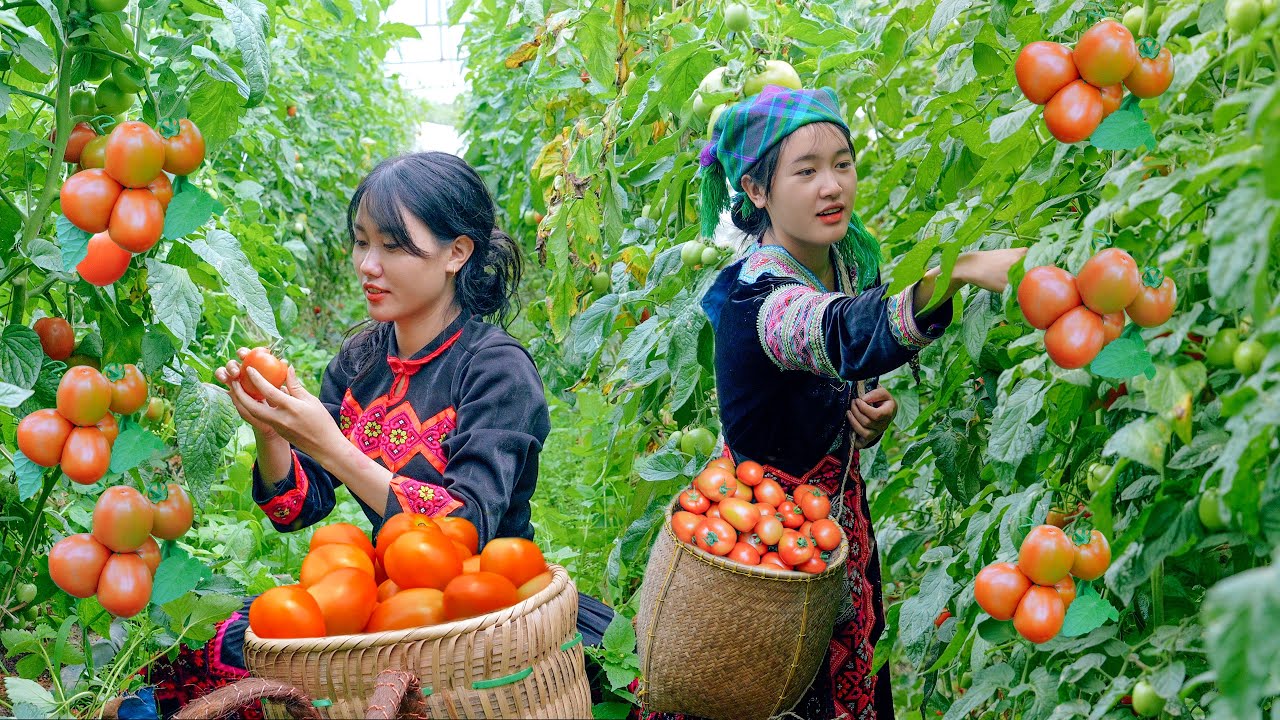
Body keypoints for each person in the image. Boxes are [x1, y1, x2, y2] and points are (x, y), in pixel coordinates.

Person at [149, 152, 613, 718]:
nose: (368, 265)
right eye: (361, 242)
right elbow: (297, 508)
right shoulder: (359, 362)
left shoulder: (495, 369)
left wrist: (330, 445)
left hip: (489, 608)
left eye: (393, 246)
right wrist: (272, 434)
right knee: (214, 650)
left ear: (457, 253)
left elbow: (465, 529)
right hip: (387, 602)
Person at [686, 86, 1025, 720]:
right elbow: (840, 333)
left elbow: (846, 354)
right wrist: (958, 269)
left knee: (848, 680)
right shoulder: (758, 296)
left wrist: (861, 409)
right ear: (756, 190)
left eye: (842, 164)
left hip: (834, 527)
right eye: (806, 171)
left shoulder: (842, 264)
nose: (832, 186)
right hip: (762, 544)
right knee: (778, 691)